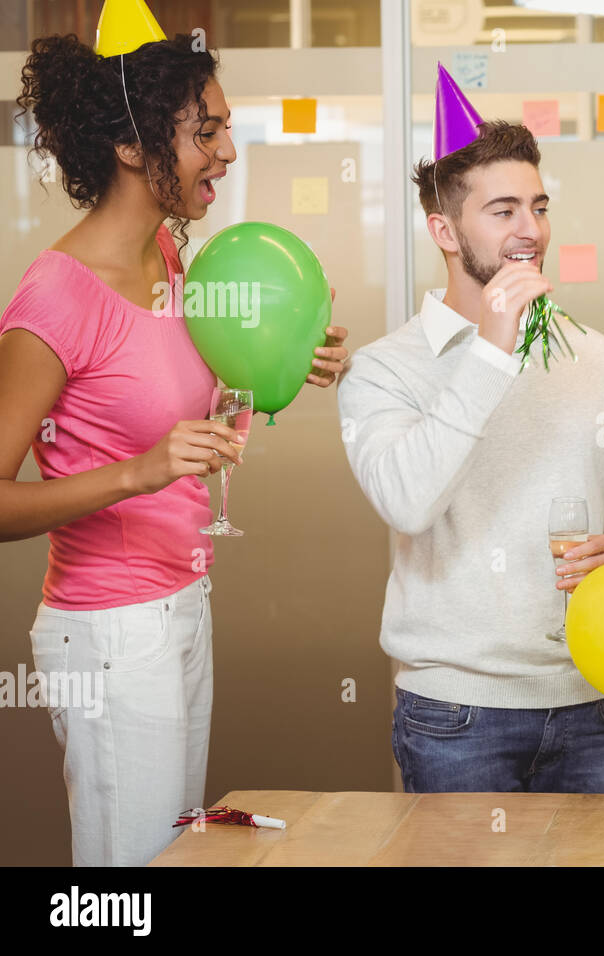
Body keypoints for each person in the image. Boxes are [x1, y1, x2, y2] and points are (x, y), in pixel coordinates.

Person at [0, 17, 350, 865]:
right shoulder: (56, 297)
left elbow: (182, 401)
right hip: (112, 631)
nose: (227, 150)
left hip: (182, 605)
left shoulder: (170, 257)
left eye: (223, 127)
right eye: (206, 131)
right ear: (130, 146)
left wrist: (281, 362)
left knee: (171, 860)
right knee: (129, 879)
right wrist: (139, 473)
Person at [336, 86, 604, 794]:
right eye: (503, 211)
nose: (531, 230)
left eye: (539, 206)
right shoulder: (384, 370)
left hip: (589, 701)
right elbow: (407, 501)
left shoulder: (598, 357)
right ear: (445, 233)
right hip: (456, 717)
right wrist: (492, 351)